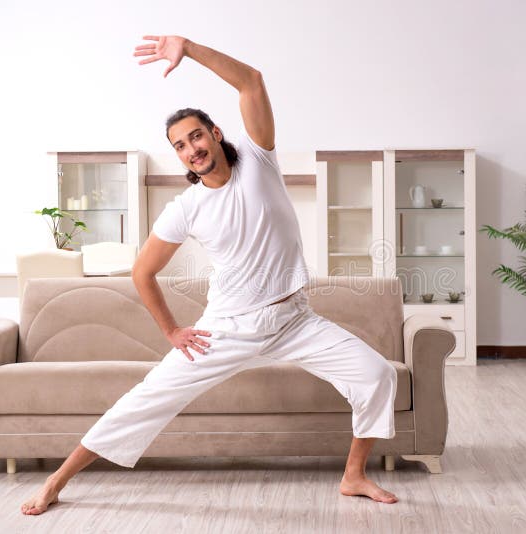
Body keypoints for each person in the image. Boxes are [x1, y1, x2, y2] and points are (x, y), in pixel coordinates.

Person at [21, 34, 398, 515]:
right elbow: (143, 273)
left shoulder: (260, 162)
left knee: (376, 374)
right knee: (145, 401)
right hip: (227, 328)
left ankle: (353, 476)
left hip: (295, 319)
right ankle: (56, 482)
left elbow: (252, 82)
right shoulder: (188, 209)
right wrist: (172, 331)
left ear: (216, 133)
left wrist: (188, 47)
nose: (191, 149)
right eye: (179, 146)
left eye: (196, 136)